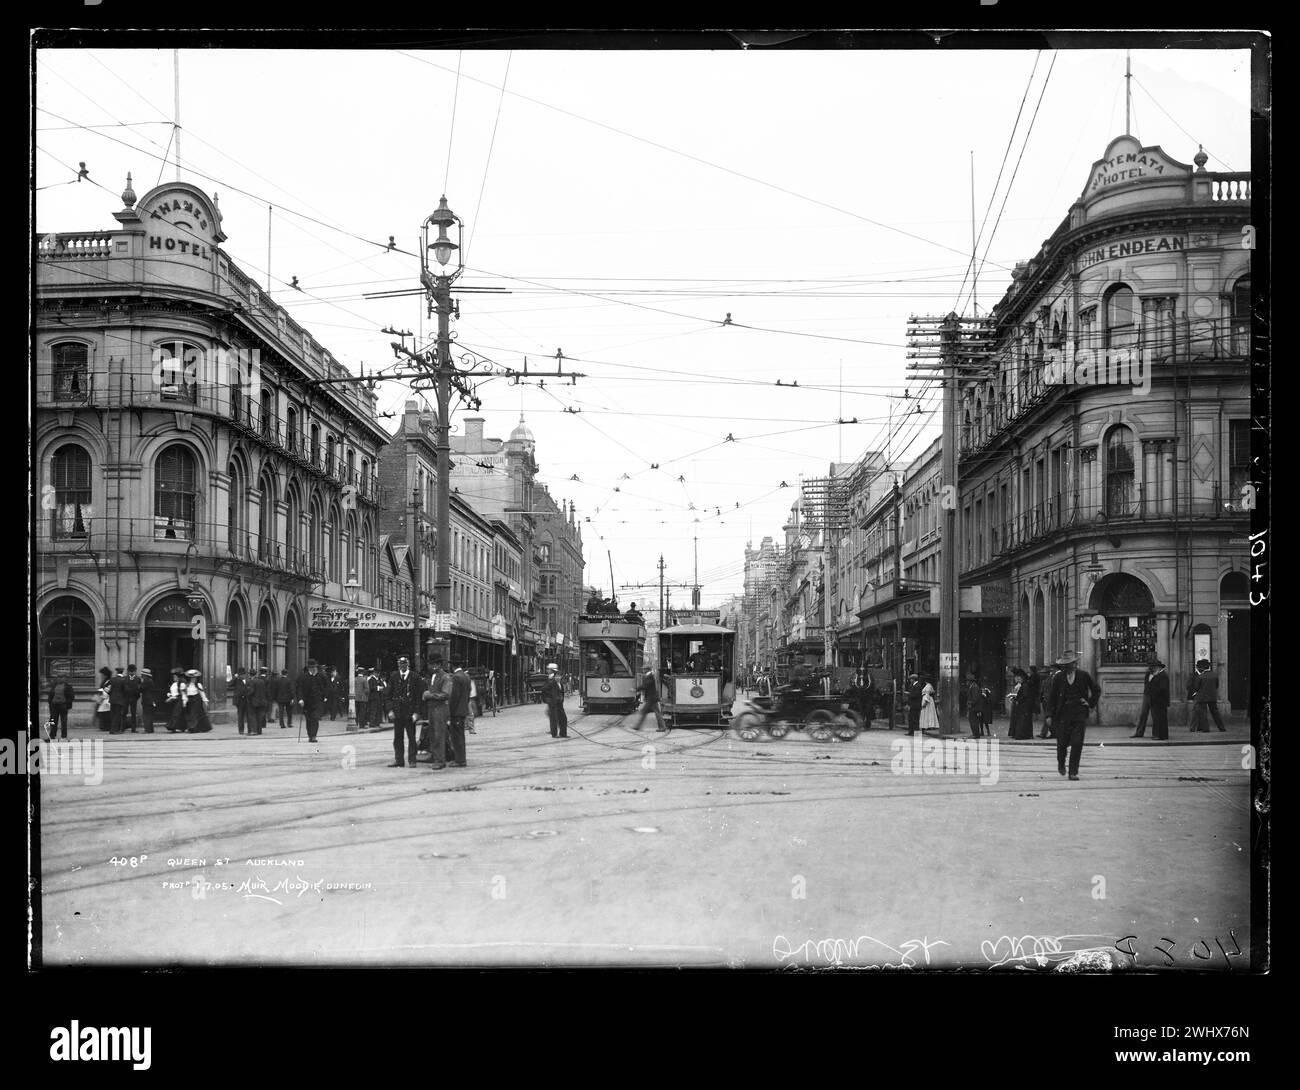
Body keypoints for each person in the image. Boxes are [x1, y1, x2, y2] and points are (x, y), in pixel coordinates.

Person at [1045, 651, 1100, 780]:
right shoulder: (1058, 678)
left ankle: (1073, 772)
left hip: (1079, 714)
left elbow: (1096, 689)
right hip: (1063, 715)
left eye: (1074, 663)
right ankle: (1061, 763)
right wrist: (1049, 715)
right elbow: (1052, 698)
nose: (1073, 666)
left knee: (1077, 743)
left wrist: (1090, 703)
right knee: (1062, 744)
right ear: (1065, 666)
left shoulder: (1083, 676)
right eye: (1069, 664)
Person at [385, 655, 423, 766]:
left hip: (410, 713)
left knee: (411, 737)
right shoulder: (394, 677)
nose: (402, 666)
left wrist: (417, 712)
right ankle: (399, 760)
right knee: (397, 738)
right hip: (397, 713)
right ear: (398, 664)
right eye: (400, 664)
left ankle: (412, 760)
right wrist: (390, 710)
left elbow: (418, 696)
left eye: (404, 663)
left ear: (408, 664)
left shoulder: (415, 677)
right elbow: (388, 695)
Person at [422, 656, 451, 770]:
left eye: (432, 664)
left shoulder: (445, 677)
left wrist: (430, 695)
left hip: (440, 709)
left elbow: (446, 694)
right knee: (433, 734)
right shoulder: (433, 676)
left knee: (439, 734)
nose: (431, 666)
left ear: (438, 664)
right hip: (433, 708)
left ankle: (440, 760)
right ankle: (436, 758)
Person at [295, 659, 329, 743]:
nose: (313, 669)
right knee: (308, 719)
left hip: (318, 701)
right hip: (307, 702)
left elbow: (327, 687)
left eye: (314, 667)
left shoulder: (321, 676)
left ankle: (313, 736)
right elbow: (299, 689)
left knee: (315, 718)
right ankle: (310, 735)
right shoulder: (303, 677)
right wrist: (300, 699)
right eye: (311, 667)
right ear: (308, 668)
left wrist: (325, 696)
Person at [1188, 659, 1226, 732]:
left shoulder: (1201, 676)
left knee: (1203, 714)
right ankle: (1221, 728)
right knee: (1215, 713)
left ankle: (1206, 729)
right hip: (1212, 697)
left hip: (1202, 697)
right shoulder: (1214, 675)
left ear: (1202, 668)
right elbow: (1216, 686)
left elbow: (1196, 687)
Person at [447, 663, 472, 767]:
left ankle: (459, 760)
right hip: (463, 710)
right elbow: (469, 692)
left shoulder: (456, 677)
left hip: (456, 712)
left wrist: (449, 710)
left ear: (452, 666)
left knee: (456, 737)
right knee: (460, 736)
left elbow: (454, 696)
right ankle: (461, 758)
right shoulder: (466, 677)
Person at [630, 667, 667, 731]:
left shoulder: (650, 676)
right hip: (651, 698)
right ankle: (637, 726)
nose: (643, 670)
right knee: (647, 712)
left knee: (654, 713)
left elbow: (645, 685)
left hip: (651, 698)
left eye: (644, 669)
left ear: (647, 669)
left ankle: (662, 727)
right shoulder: (649, 676)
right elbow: (645, 685)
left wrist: (636, 689)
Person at [542, 663, 568, 738]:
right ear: (554, 677)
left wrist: (561, 699)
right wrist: (548, 699)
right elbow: (544, 689)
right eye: (556, 676)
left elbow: (561, 693)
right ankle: (554, 734)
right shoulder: (551, 683)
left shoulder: (560, 684)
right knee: (554, 719)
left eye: (559, 676)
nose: (558, 678)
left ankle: (563, 733)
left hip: (559, 704)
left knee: (563, 718)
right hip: (553, 704)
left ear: (561, 677)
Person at [1145, 661, 1170, 740]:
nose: (1152, 669)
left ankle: (1160, 735)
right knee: (1157, 718)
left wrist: (1153, 690)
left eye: (1153, 667)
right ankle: (1158, 734)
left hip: (1160, 701)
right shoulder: (1159, 675)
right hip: (1157, 701)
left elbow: (1162, 688)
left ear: (1158, 667)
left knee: (1160, 719)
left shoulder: (1162, 676)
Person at [1008, 667, 1035, 740]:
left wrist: (1018, 700)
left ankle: (1022, 735)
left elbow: (1024, 695)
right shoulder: (1024, 685)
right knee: (1022, 721)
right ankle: (1023, 734)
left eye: (1019, 678)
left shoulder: (1025, 685)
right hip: (1023, 706)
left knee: (1023, 721)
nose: (1018, 680)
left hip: (1024, 706)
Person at [108, 666, 130, 734]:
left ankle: (112, 729)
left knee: (113, 714)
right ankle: (115, 730)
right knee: (117, 715)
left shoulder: (112, 679)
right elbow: (126, 690)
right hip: (120, 700)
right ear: (122, 672)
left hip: (112, 700)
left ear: (117, 672)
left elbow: (105, 686)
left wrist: (110, 693)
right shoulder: (124, 680)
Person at [164, 667, 186, 732]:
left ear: (178, 677)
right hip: (174, 701)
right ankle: (177, 727)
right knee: (175, 714)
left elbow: (183, 694)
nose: (174, 677)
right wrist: (170, 695)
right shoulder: (174, 684)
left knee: (177, 714)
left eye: (175, 676)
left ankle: (175, 727)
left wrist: (184, 702)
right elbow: (173, 692)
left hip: (179, 700)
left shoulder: (182, 684)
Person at [232, 666, 251, 734]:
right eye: (240, 675)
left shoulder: (248, 680)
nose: (242, 676)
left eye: (243, 674)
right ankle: (241, 730)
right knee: (240, 716)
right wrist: (235, 677)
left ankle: (250, 730)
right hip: (239, 701)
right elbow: (230, 684)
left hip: (247, 700)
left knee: (249, 715)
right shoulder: (236, 680)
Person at [367, 665, 386, 730]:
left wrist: (382, 688)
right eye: (377, 673)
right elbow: (370, 688)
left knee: (378, 711)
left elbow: (382, 686)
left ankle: (377, 723)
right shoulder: (371, 680)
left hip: (379, 698)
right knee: (373, 710)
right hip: (373, 698)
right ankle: (372, 723)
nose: (378, 674)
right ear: (374, 673)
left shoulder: (379, 680)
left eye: (378, 673)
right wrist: (378, 688)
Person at [138, 667, 157, 734]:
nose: (141, 676)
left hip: (147, 700)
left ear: (145, 675)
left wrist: (139, 684)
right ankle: (150, 729)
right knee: (149, 715)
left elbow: (140, 688)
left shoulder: (146, 681)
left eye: (142, 674)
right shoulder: (150, 680)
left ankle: (147, 729)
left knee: (147, 715)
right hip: (149, 700)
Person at [966, 673, 986, 738]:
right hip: (974, 707)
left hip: (974, 707)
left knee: (973, 720)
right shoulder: (973, 686)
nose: (966, 682)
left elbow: (975, 698)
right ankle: (975, 733)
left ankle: (976, 734)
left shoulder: (974, 687)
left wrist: (970, 703)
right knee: (973, 720)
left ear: (970, 681)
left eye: (967, 681)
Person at [124, 663, 142, 732]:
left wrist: (136, 696)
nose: (132, 672)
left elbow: (139, 689)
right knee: (124, 713)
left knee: (133, 713)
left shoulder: (138, 679)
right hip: (126, 698)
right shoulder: (125, 678)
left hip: (134, 698)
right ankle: (123, 727)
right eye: (130, 671)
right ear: (128, 671)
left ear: (135, 671)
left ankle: (133, 728)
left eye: (133, 671)